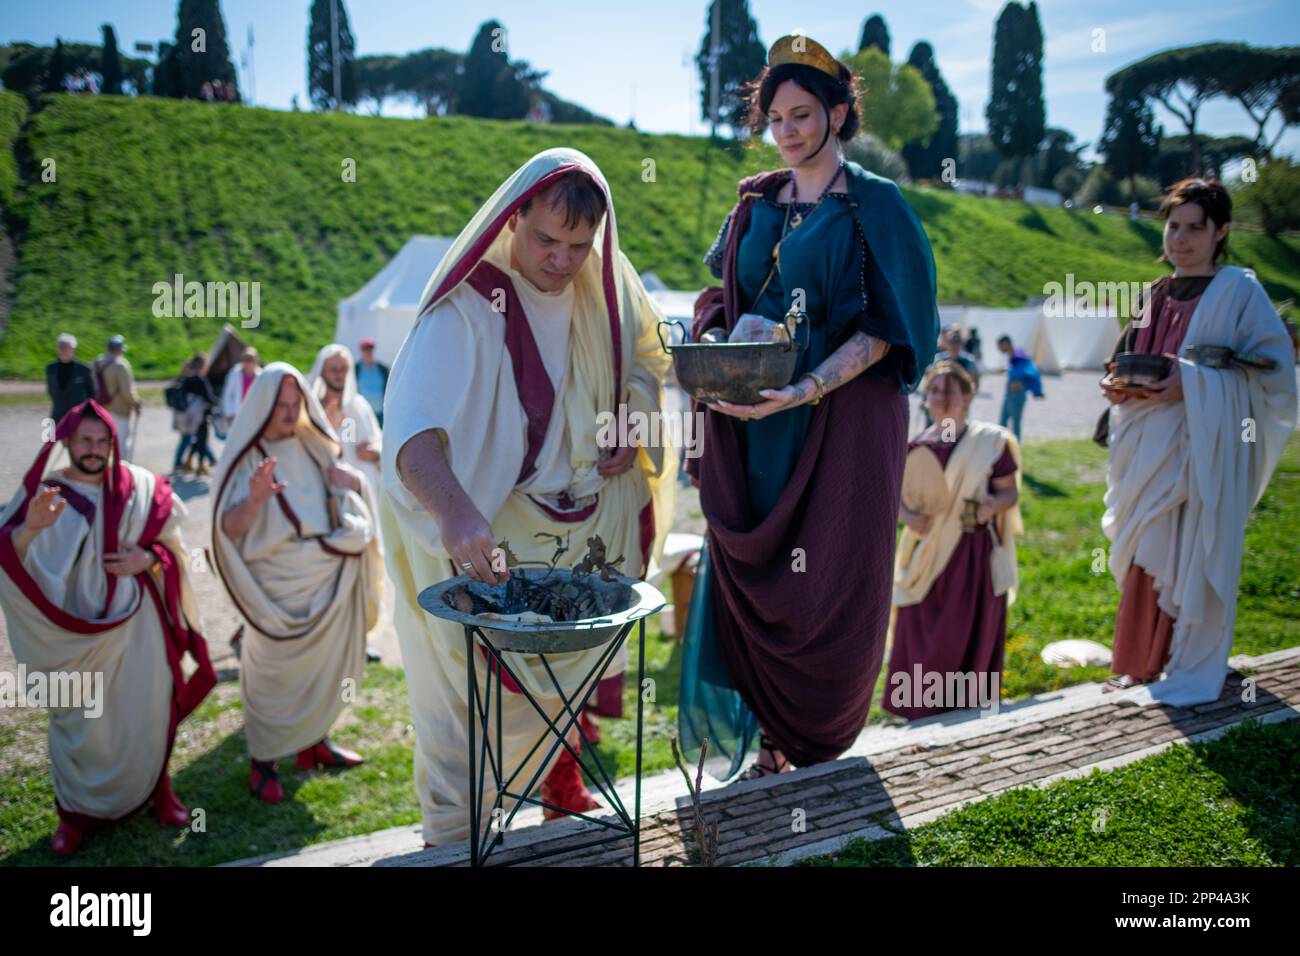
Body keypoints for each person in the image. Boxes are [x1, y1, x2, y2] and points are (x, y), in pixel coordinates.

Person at [380, 148, 675, 847]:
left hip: (584, 536)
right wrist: (453, 512)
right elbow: (413, 432)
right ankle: (452, 845)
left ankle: (554, 800)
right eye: (545, 239)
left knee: (559, 704)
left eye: (578, 245)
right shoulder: (465, 310)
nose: (561, 259)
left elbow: (650, 353)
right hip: (491, 545)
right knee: (463, 716)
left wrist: (631, 420)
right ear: (513, 218)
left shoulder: (602, 289)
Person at [679, 35, 939, 780]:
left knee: (820, 571)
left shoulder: (876, 206)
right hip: (753, 417)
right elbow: (717, 297)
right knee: (754, 570)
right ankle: (766, 742)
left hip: (841, 422)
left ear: (837, 112)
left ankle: (809, 736)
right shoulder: (757, 201)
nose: (788, 130)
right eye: (776, 118)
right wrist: (720, 335)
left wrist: (808, 385)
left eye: (802, 114)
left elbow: (892, 330)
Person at [1099, 178, 1296, 704]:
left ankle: (1182, 658)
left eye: (1194, 228)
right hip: (1147, 445)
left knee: (1186, 551)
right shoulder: (1154, 293)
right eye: (1172, 226)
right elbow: (1125, 355)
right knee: (1147, 550)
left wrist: (1195, 381)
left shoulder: (1238, 291)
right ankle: (1138, 663)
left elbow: (1276, 371)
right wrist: (1114, 385)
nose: (1179, 239)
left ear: (1220, 231)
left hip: (1204, 448)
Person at [0, 401, 216, 854]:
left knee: (148, 711)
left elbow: (172, 545)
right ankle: (74, 815)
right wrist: (30, 529)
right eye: (86, 441)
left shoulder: (138, 487)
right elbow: (9, 559)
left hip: (140, 627)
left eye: (103, 441)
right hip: (76, 639)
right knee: (79, 724)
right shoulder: (46, 493)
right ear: (68, 443)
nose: (95, 450)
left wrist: (149, 559)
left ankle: (161, 793)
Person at [210, 364, 382, 804]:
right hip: (273, 587)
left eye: (294, 404)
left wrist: (355, 483)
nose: (289, 414)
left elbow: (346, 492)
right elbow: (227, 531)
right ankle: (263, 762)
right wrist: (253, 500)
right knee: (270, 673)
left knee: (323, 667)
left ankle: (314, 743)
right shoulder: (245, 456)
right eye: (280, 406)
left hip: (325, 574)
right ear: (261, 406)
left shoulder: (313, 445)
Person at [886, 361, 1021, 719]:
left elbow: (1010, 493)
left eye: (950, 390)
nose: (942, 397)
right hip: (927, 548)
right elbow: (895, 499)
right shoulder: (915, 447)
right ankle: (918, 705)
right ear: (925, 398)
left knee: (965, 626)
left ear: (968, 396)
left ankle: (966, 703)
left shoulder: (991, 442)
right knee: (921, 622)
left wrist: (993, 505)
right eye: (934, 390)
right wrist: (908, 517)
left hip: (972, 551)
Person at [91, 334, 143, 460]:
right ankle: (121, 470)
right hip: (119, 409)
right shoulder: (121, 365)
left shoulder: (96, 362)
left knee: (104, 440)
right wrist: (136, 402)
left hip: (100, 408)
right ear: (120, 349)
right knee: (121, 442)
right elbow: (127, 391)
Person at [171, 355, 218, 476]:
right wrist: (218, 402)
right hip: (200, 416)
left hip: (188, 417)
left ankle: (186, 462)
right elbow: (209, 398)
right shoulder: (201, 380)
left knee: (190, 439)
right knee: (201, 440)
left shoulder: (187, 379)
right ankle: (201, 465)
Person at [995, 334, 1043, 441]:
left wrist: (1019, 382)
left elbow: (1028, 370)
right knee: (1002, 422)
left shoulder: (1018, 355)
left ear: (1006, 344)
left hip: (1017, 394)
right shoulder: (1013, 356)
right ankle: (1001, 445)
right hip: (1009, 394)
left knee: (1015, 423)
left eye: (1000, 346)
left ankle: (1015, 447)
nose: (999, 349)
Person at [45, 333, 95, 424]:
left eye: (65, 347)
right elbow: (50, 390)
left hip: (79, 416)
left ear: (74, 349)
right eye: (60, 346)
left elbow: (92, 393)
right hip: (58, 415)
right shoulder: (51, 368)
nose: (62, 349)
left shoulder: (84, 369)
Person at [217, 347, 261, 438]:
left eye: (251, 360)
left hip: (253, 414)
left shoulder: (261, 376)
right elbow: (227, 394)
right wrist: (229, 413)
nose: (248, 363)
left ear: (256, 361)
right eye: (246, 360)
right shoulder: (234, 373)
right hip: (236, 413)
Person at [353, 339, 389, 426]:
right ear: (361, 351)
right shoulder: (355, 369)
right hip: (362, 413)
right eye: (365, 349)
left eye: (370, 348)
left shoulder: (382, 368)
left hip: (380, 413)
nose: (368, 352)